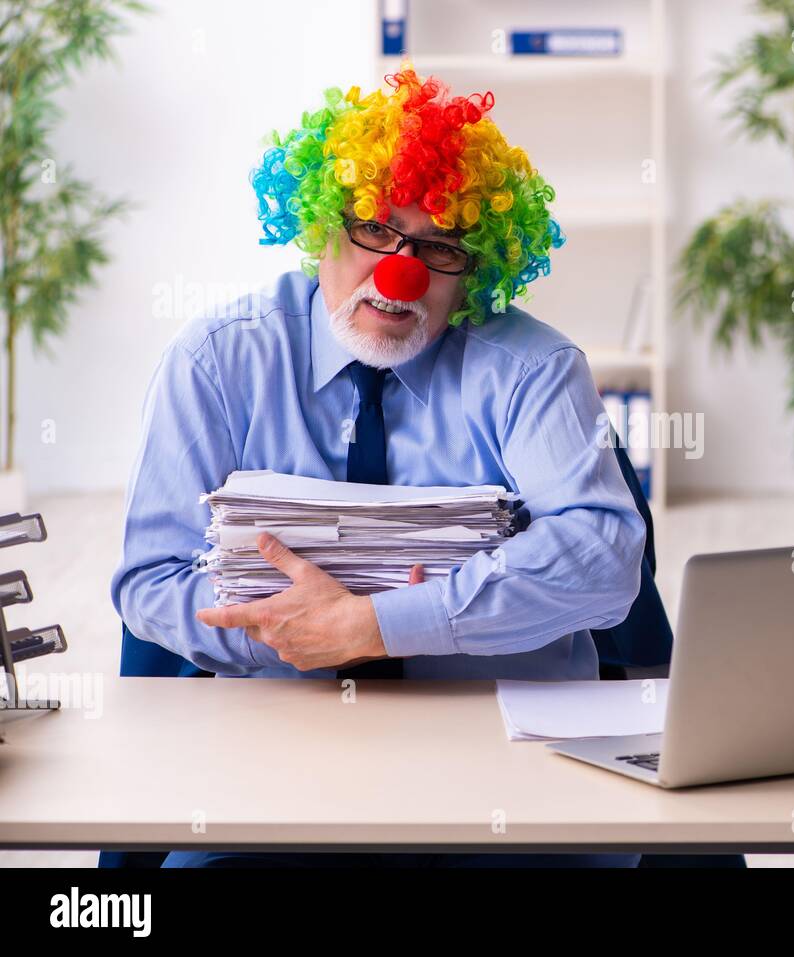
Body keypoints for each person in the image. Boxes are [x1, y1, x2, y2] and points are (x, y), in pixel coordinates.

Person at [111, 66, 645, 868]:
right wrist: (292, 635)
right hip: (278, 758)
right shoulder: (217, 361)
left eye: (439, 247)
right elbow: (148, 581)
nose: (402, 275)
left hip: (502, 757)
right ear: (320, 224)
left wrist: (377, 624)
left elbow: (605, 563)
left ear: (477, 268)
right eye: (373, 230)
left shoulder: (534, 369)